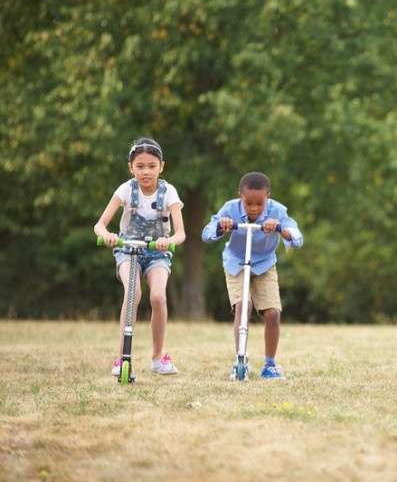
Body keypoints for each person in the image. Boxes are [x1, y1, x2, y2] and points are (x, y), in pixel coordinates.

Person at [94, 138, 186, 376]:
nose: (146, 172)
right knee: (133, 293)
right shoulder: (126, 190)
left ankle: (158, 357)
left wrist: (168, 240)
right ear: (131, 167)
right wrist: (108, 235)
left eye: (152, 166)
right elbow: (100, 225)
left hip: (157, 253)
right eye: (140, 166)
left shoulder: (169, 192)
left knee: (158, 297)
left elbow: (181, 233)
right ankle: (121, 359)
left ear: (161, 167)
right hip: (128, 249)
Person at [202, 171, 303, 380]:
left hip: (264, 264)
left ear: (268, 197)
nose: (254, 208)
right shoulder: (230, 208)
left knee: (273, 314)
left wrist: (280, 228)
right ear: (240, 196)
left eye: (260, 203)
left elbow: (297, 238)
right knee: (243, 307)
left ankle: (270, 365)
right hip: (236, 263)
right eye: (248, 203)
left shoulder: (277, 210)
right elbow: (207, 233)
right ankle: (241, 360)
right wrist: (221, 226)